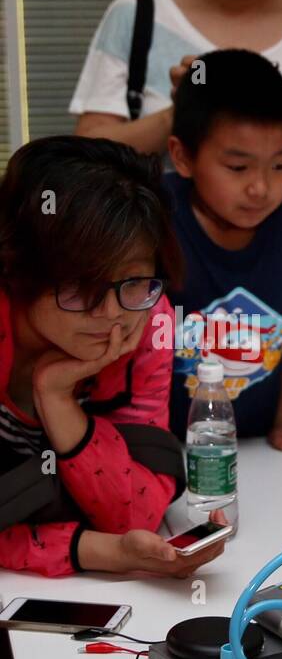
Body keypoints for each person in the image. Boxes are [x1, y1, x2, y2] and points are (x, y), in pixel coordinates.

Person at [0, 135, 226, 577]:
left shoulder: (145, 315)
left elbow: (136, 514)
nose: (111, 315)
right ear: (17, 269)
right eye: (80, 287)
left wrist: (58, 398)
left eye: (134, 280)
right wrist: (100, 552)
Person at [165, 49, 282, 455]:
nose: (260, 188)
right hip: (169, 447)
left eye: (280, 166)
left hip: (265, 448)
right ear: (182, 157)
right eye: (238, 168)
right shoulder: (155, 213)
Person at [69, 0, 282, 203]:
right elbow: (86, 159)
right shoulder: (134, 14)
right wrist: (182, 112)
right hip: (162, 257)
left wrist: (273, 118)